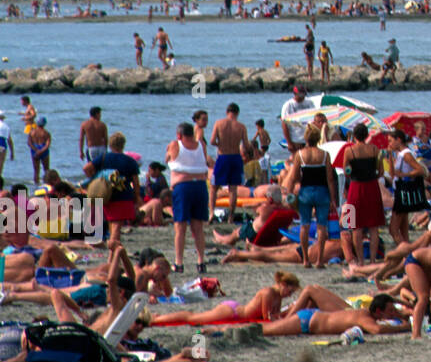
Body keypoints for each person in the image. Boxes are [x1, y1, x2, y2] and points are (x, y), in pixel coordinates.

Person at [151, 271, 300, 325]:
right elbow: (267, 318)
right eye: (290, 291)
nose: (289, 295)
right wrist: (287, 315)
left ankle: (159, 317)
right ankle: (158, 318)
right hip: (232, 312)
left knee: (194, 317)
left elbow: (274, 316)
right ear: (283, 284)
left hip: (236, 312)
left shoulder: (278, 296)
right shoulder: (268, 293)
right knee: (194, 318)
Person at [285, 126, 337, 268]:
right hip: (322, 192)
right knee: (321, 227)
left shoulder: (300, 154)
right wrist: (333, 199)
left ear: (306, 138)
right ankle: (319, 260)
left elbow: (294, 177)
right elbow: (330, 179)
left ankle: (306, 260)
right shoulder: (325, 155)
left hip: (306, 192)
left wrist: (289, 194)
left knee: (304, 225)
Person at [164, 121, 211, 273]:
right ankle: (201, 261)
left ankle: (179, 262)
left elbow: (167, 159)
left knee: (180, 227)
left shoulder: (175, 144)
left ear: (179, 135)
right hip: (200, 186)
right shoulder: (201, 145)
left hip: (183, 186)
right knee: (198, 227)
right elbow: (204, 160)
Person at [84, 132, 141, 245]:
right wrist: (136, 197)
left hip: (106, 194)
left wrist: (94, 177)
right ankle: (113, 252)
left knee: (112, 223)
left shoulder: (104, 157)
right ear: (123, 145)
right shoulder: (130, 161)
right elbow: (136, 183)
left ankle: (112, 254)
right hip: (123, 196)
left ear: (110, 145)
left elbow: (86, 168)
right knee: (116, 227)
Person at [341, 123, 386, 265]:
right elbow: (381, 172)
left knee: (355, 226)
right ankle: (372, 260)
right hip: (372, 187)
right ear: (367, 135)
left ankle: (360, 260)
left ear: (354, 135)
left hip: (356, 188)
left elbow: (345, 171)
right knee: (374, 226)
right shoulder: (374, 149)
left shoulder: (349, 151)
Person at [262, 293, 408, 337]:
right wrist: (403, 327)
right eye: (390, 311)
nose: (393, 314)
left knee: (268, 329)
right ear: (378, 312)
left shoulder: (366, 314)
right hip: (307, 320)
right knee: (264, 331)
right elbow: (377, 330)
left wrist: (400, 315)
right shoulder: (365, 318)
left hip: (312, 318)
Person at [209, 102, 252, 225]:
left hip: (222, 157)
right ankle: (231, 217)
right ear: (237, 113)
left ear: (227, 112)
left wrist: (220, 145)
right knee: (233, 189)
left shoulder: (219, 123)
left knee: (213, 187)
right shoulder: (241, 126)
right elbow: (246, 145)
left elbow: (212, 141)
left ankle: (211, 213)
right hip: (236, 157)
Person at [388, 129, 430, 245]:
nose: (389, 144)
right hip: (400, 190)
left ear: (399, 140)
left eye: (391, 141)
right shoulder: (400, 154)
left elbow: (420, 170)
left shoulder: (406, 154)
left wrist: (404, 175)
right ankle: (407, 252)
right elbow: (393, 174)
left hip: (404, 191)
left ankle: (406, 254)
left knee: (393, 229)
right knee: (403, 229)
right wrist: (390, 157)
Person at [280, 86, 309, 154]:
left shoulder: (309, 102)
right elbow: (284, 124)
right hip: (295, 140)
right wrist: (289, 143)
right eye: (300, 94)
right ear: (295, 94)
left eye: (304, 94)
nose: (302, 96)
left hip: (308, 140)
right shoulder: (288, 105)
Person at [27, 117, 51, 185]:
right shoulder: (46, 133)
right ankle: (47, 184)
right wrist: (41, 151)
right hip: (43, 150)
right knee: (46, 170)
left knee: (36, 170)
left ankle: (36, 185)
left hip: (35, 150)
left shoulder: (32, 132)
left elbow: (29, 143)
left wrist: (36, 150)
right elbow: (47, 145)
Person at [0, 110, 11, 183]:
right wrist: (12, 152)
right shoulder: (6, 126)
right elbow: (9, 140)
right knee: (1, 163)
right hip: (2, 143)